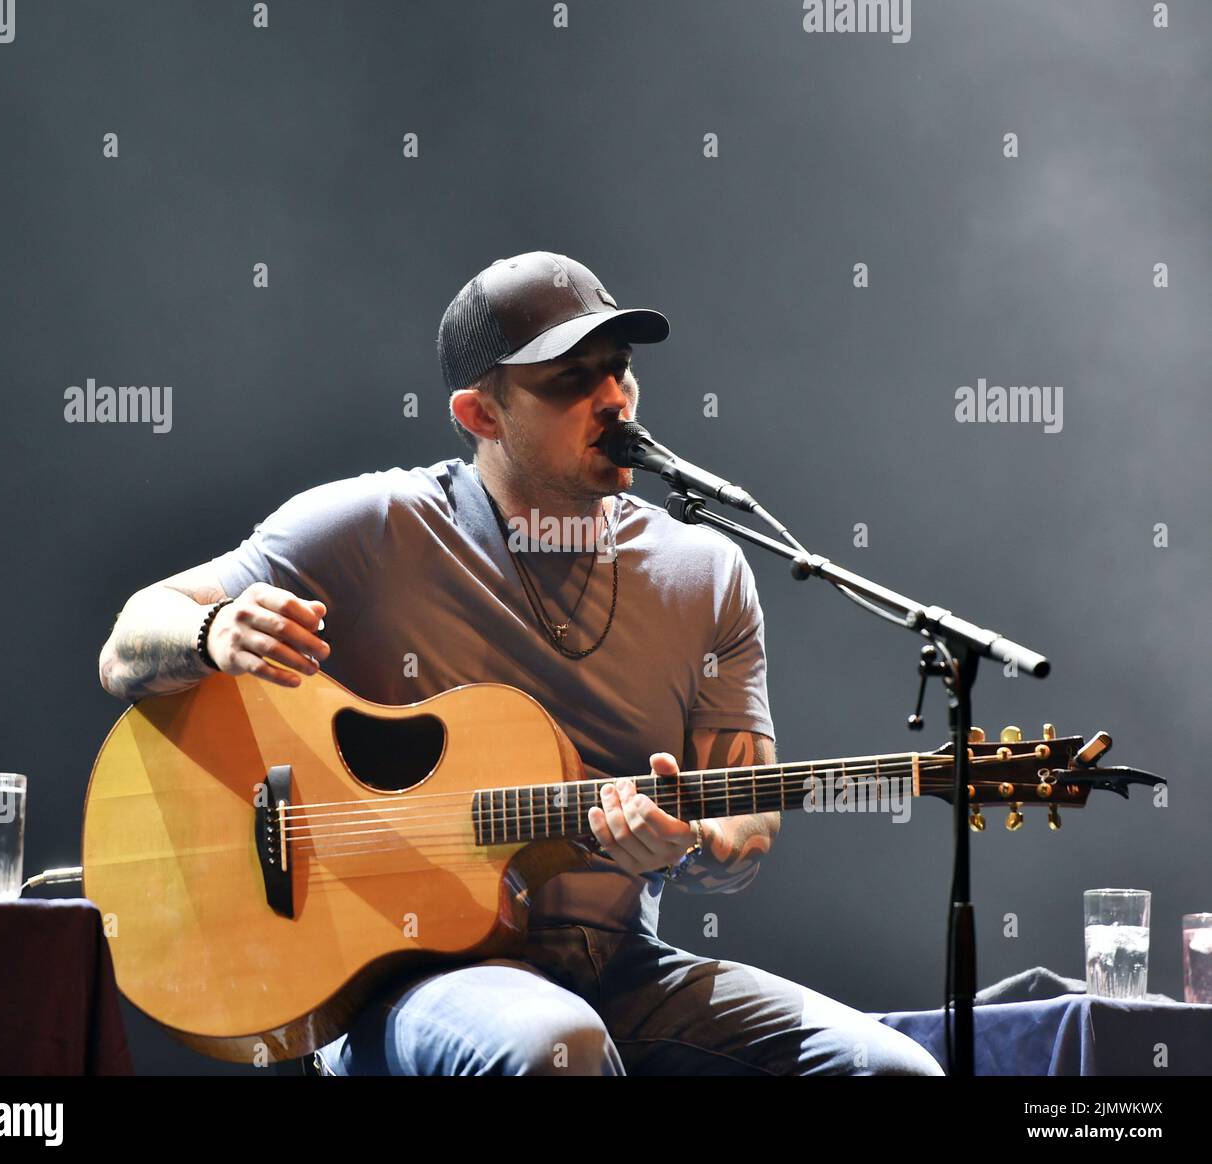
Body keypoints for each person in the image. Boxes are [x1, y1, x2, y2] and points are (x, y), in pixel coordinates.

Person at [98, 250, 944, 1077]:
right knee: (555, 1048)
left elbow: (747, 816)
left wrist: (686, 845)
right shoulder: (373, 527)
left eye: (620, 369)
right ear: (481, 415)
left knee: (891, 1068)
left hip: (621, 966)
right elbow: (131, 636)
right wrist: (213, 632)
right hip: (408, 979)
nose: (613, 397)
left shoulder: (706, 573)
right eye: (571, 379)